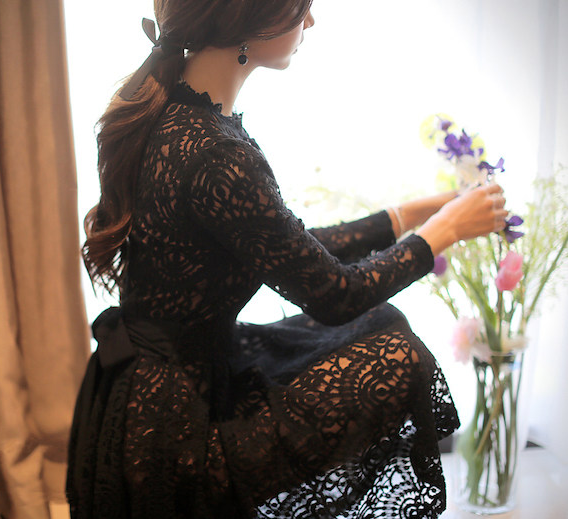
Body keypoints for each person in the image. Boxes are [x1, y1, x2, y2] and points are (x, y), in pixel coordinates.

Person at [67, 1, 509, 517]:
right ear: (249, 18)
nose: (311, 21)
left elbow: (279, 245)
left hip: (142, 384)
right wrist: (444, 232)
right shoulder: (216, 153)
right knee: (397, 357)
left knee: (382, 324)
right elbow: (335, 296)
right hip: (176, 418)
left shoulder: (172, 113)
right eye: (304, 7)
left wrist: (408, 214)